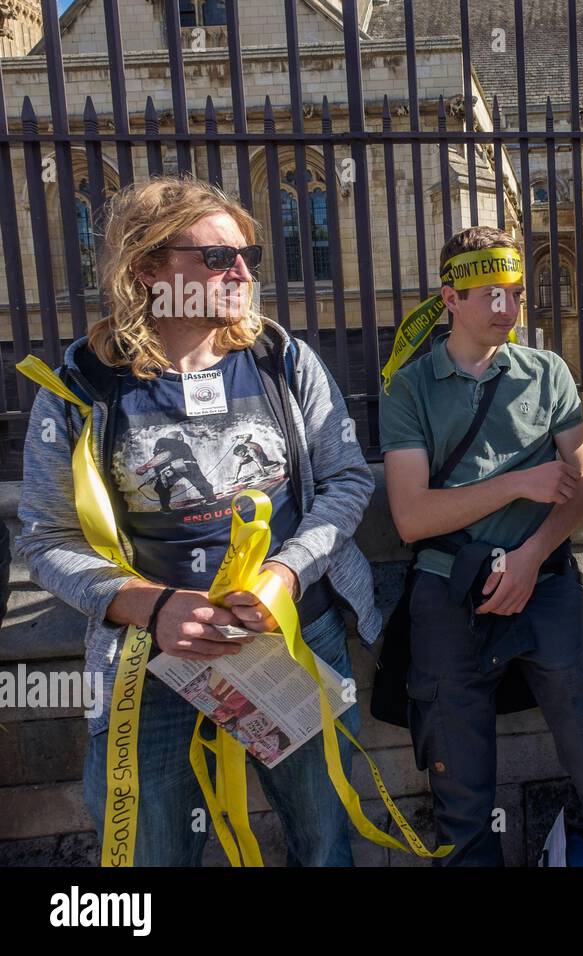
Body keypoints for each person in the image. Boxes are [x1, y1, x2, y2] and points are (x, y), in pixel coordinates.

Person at [14, 175, 381, 866]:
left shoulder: (283, 360)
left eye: (248, 254)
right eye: (217, 256)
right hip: (150, 664)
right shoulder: (79, 389)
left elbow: (344, 481)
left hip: (293, 640)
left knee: (324, 843)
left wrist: (287, 574)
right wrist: (147, 606)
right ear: (147, 268)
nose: (241, 270)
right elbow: (46, 537)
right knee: (149, 855)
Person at [379, 225, 583, 866]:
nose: (507, 309)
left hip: (547, 583)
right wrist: (518, 484)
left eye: (515, 293)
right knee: (461, 792)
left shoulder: (547, 372)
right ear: (450, 299)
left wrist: (531, 557)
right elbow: (412, 517)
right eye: (489, 295)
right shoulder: (408, 389)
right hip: (450, 593)